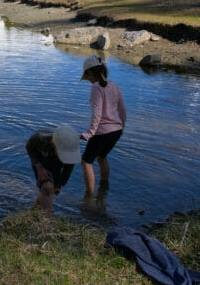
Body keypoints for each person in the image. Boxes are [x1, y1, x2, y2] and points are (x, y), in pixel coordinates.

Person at [79, 55, 126, 196]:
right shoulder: (114, 86)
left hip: (102, 131)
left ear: (91, 73)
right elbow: (122, 110)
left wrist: (90, 133)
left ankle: (89, 198)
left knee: (86, 162)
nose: (86, 78)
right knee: (102, 157)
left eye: (86, 75)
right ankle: (104, 188)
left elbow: (97, 113)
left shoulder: (96, 88)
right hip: (116, 130)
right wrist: (121, 126)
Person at [26, 124, 80, 211]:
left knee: (48, 189)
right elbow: (30, 148)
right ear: (52, 144)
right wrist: (39, 168)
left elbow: (68, 168)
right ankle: (46, 220)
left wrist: (59, 184)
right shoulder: (39, 138)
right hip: (41, 160)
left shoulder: (72, 147)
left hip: (57, 164)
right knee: (47, 187)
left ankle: (35, 211)